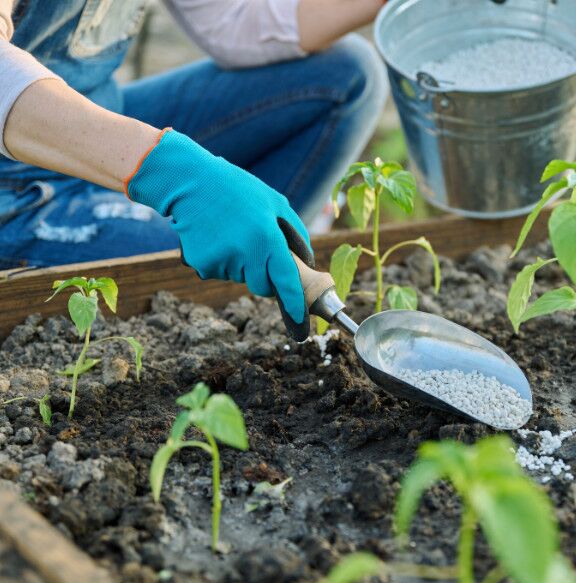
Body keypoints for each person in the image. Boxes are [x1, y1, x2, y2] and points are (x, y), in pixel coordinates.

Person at [0, 0, 389, 341]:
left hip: (102, 117)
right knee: (207, 270)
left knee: (348, 74)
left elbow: (232, 19)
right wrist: (174, 172)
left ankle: (264, 247)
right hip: (14, 186)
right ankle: (248, 265)